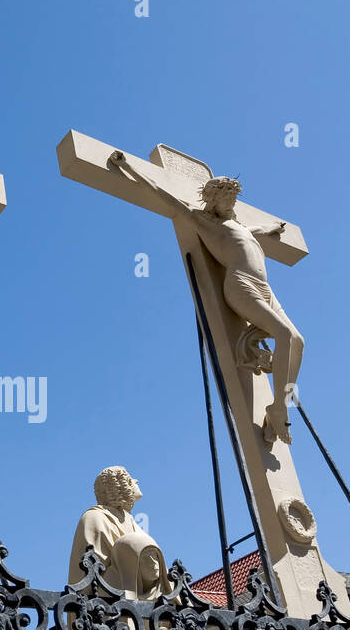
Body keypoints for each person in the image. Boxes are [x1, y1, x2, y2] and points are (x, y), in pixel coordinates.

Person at [109, 150, 302, 444]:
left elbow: (260, 229)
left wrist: (275, 228)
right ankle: (278, 408)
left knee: (298, 342)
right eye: (226, 198)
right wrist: (130, 168)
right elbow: (164, 195)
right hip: (241, 285)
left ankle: (279, 404)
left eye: (234, 197)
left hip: (265, 288)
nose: (232, 202)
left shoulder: (239, 226)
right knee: (285, 334)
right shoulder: (205, 222)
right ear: (213, 200)